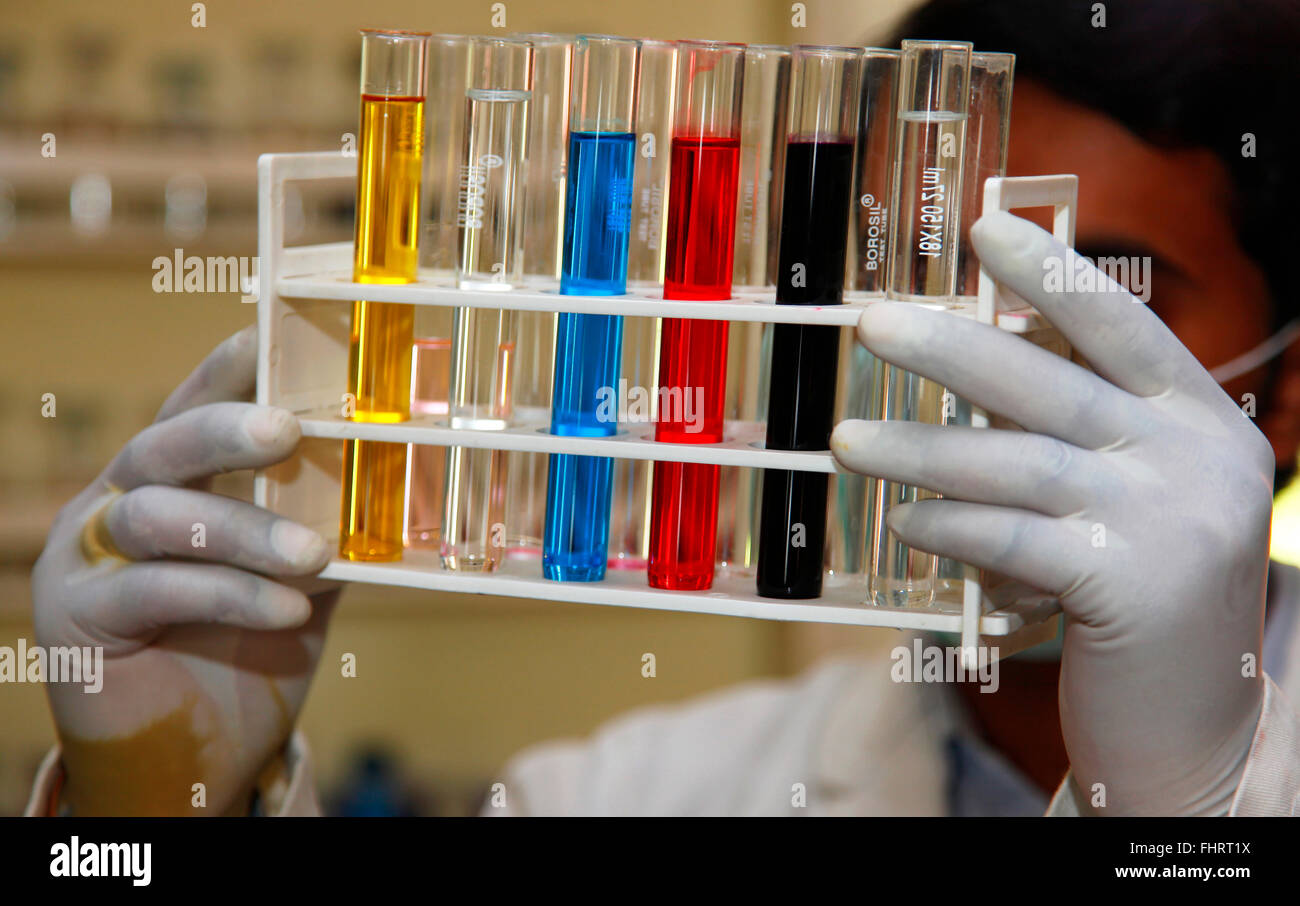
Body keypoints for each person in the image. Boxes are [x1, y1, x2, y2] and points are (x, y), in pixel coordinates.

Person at [26, 0, 1300, 816]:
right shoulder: (624, 791)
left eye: (1096, 290)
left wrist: (1182, 830)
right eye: (913, 271)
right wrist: (157, 796)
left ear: (1285, 396)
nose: (977, 359)